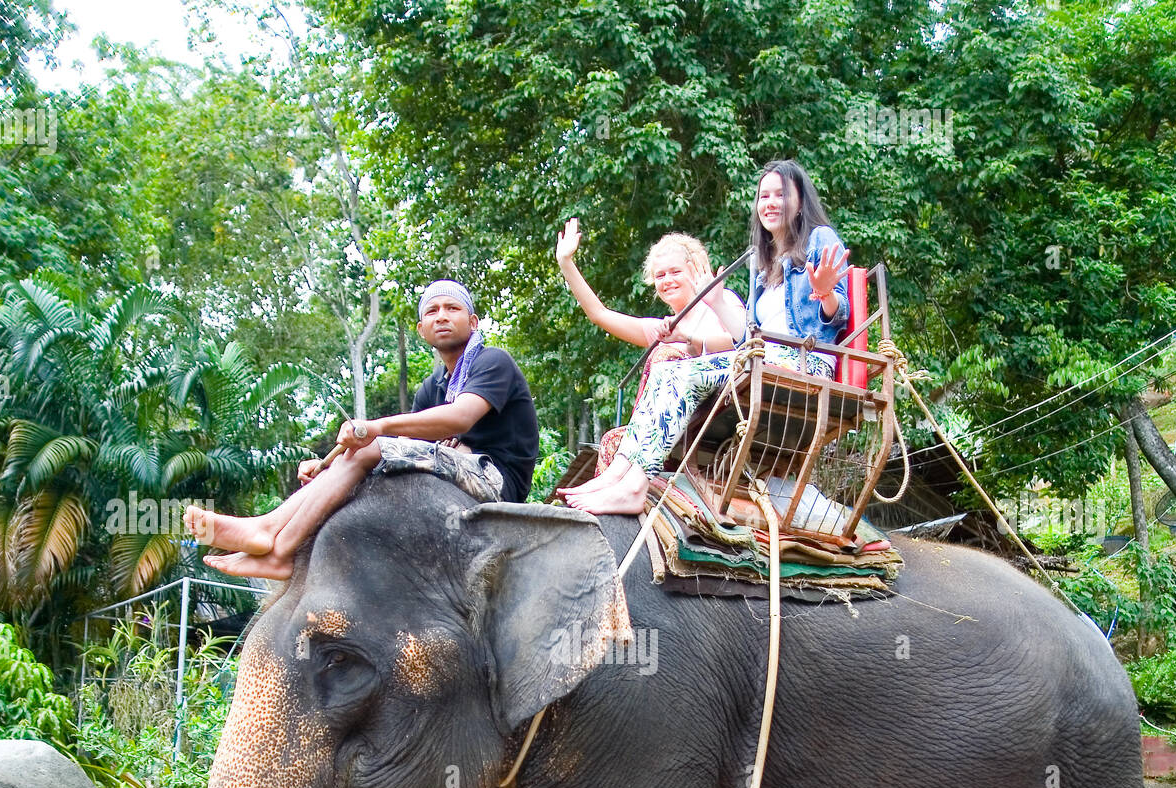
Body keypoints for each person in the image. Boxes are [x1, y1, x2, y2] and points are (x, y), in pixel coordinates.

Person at [184, 280, 539, 578]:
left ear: (473, 322)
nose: (441, 316)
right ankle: (271, 530)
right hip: (453, 468)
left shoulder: (493, 361)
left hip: (495, 481)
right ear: (421, 329)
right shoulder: (431, 387)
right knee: (360, 454)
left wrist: (375, 426)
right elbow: (405, 448)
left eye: (452, 308)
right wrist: (324, 468)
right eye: (431, 311)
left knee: (370, 446)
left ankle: (276, 544)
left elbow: (460, 417)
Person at [560, 160, 850, 516]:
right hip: (765, 358)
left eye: (781, 194)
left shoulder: (819, 240)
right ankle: (620, 472)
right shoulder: (762, 263)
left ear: (801, 202)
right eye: (764, 196)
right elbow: (747, 336)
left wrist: (824, 293)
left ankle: (636, 487)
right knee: (668, 371)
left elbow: (838, 315)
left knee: (683, 370)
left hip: (806, 361)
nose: (770, 203)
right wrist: (713, 299)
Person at [554, 219, 747, 479]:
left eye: (675, 272)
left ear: (695, 270)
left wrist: (687, 339)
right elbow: (600, 314)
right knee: (612, 440)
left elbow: (739, 342)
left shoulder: (721, 303)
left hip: (714, 412)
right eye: (660, 275)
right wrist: (566, 263)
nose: (667, 280)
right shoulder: (663, 330)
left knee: (666, 354)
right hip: (666, 422)